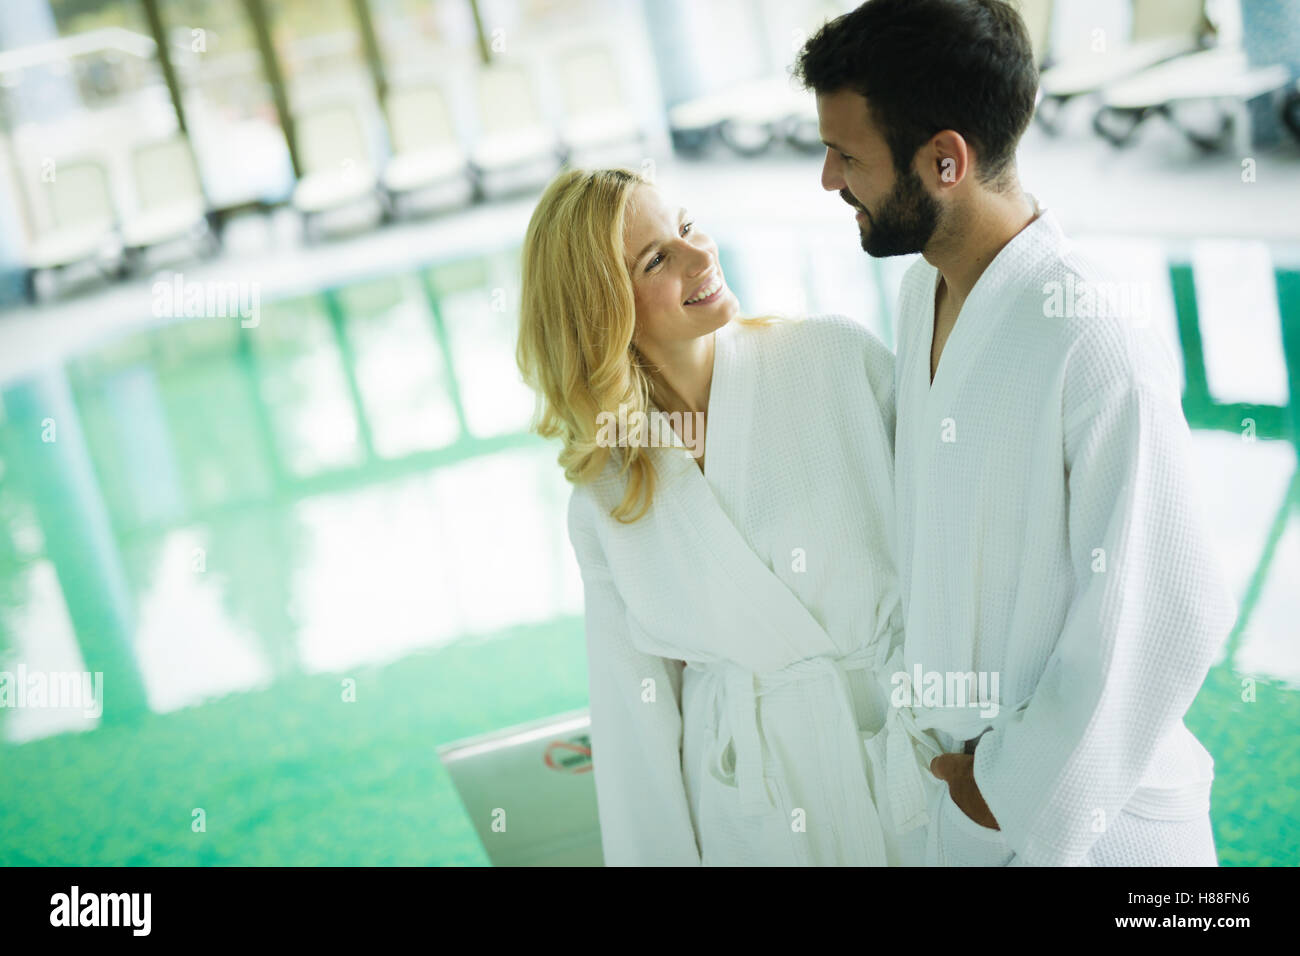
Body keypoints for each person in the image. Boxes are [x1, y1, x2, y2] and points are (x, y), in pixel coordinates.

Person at [795, 0, 1238, 866]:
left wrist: (1008, 785)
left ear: (946, 160)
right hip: (963, 798)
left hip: (1088, 825)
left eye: (846, 155)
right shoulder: (923, 291)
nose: (827, 180)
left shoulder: (1094, 338)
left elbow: (1170, 606)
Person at [516, 167, 930, 865]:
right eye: (657, 259)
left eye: (684, 227)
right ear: (603, 310)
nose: (701, 256)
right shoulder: (608, 492)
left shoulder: (832, 358)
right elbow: (634, 720)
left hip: (906, 766)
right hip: (753, 816)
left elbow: (957, 554)